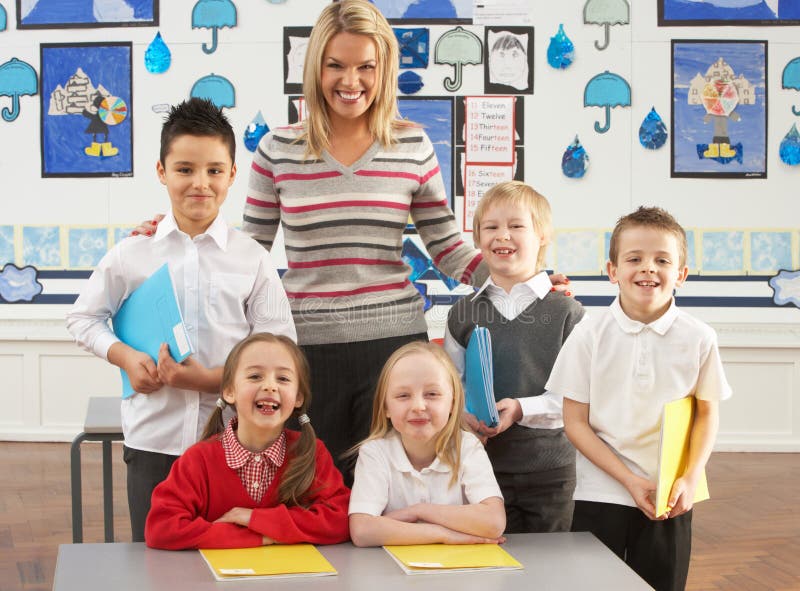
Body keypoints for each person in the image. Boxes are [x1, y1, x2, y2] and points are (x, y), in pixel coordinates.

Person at [134, 1, 568, 481]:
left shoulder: (413, 146)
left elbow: (447, 246)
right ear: (315, 66)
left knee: (393, 493)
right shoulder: (276, 150)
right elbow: (246, 253)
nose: (351, 81)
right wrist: (178, 234)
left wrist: (529, 285)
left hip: (394, 349)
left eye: (367, 67)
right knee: (311, 494)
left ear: (384, 69)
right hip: (305, 351)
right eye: (335, 66)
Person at [66, 98, 296, 542]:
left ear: (232, 174)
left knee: (234, 552)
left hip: (236, 444)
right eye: (185, 169)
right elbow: (83, 318)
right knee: (157, 558)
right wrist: (127, 358)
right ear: (161, 171)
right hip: (155, 441)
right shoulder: (134, 252)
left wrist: (213, 380)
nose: (200, 184)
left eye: (214, 170)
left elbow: (280, 348)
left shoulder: (252, 259)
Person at [546, 206, 732, 591]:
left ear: (680, 274)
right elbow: (574, 422)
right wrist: (628, 480)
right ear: (612, 270)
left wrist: (690, 477)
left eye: (662, 260)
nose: (648, 268)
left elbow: (706, 414)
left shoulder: (700, 338)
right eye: (635, 259)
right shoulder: (588, 334)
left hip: (671, 494)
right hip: (600, 490)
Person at [444, 181, 584, 534]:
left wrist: (521, 408)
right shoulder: (461, 314)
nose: (502, 235)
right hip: (481, 470)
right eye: (491, 227)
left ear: (542, 237)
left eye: (516, 226)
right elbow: (452, 386)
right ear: (478, 239)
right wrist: (463, 417)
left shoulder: (569, 312)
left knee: (551, 568)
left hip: (552, 472)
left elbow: (578, 398)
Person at [145, 333, 350, 549]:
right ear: (229, 391)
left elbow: (340, 518)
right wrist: (262, 537)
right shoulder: (198, 460)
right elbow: (162, 528)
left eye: (283, 379)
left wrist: (255, 519)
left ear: (298, 397)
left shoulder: (311, 452)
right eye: (255, 376)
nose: (270, 386)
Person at [348, 341, 506, 546]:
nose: (418, 406)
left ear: (453, 402)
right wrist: (443, 535)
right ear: (385, 407)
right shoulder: (374, 453)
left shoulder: (467, 447)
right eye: (403, 395)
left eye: (432, 394)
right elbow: (362, 530)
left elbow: (493, 522)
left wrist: (419, 511)